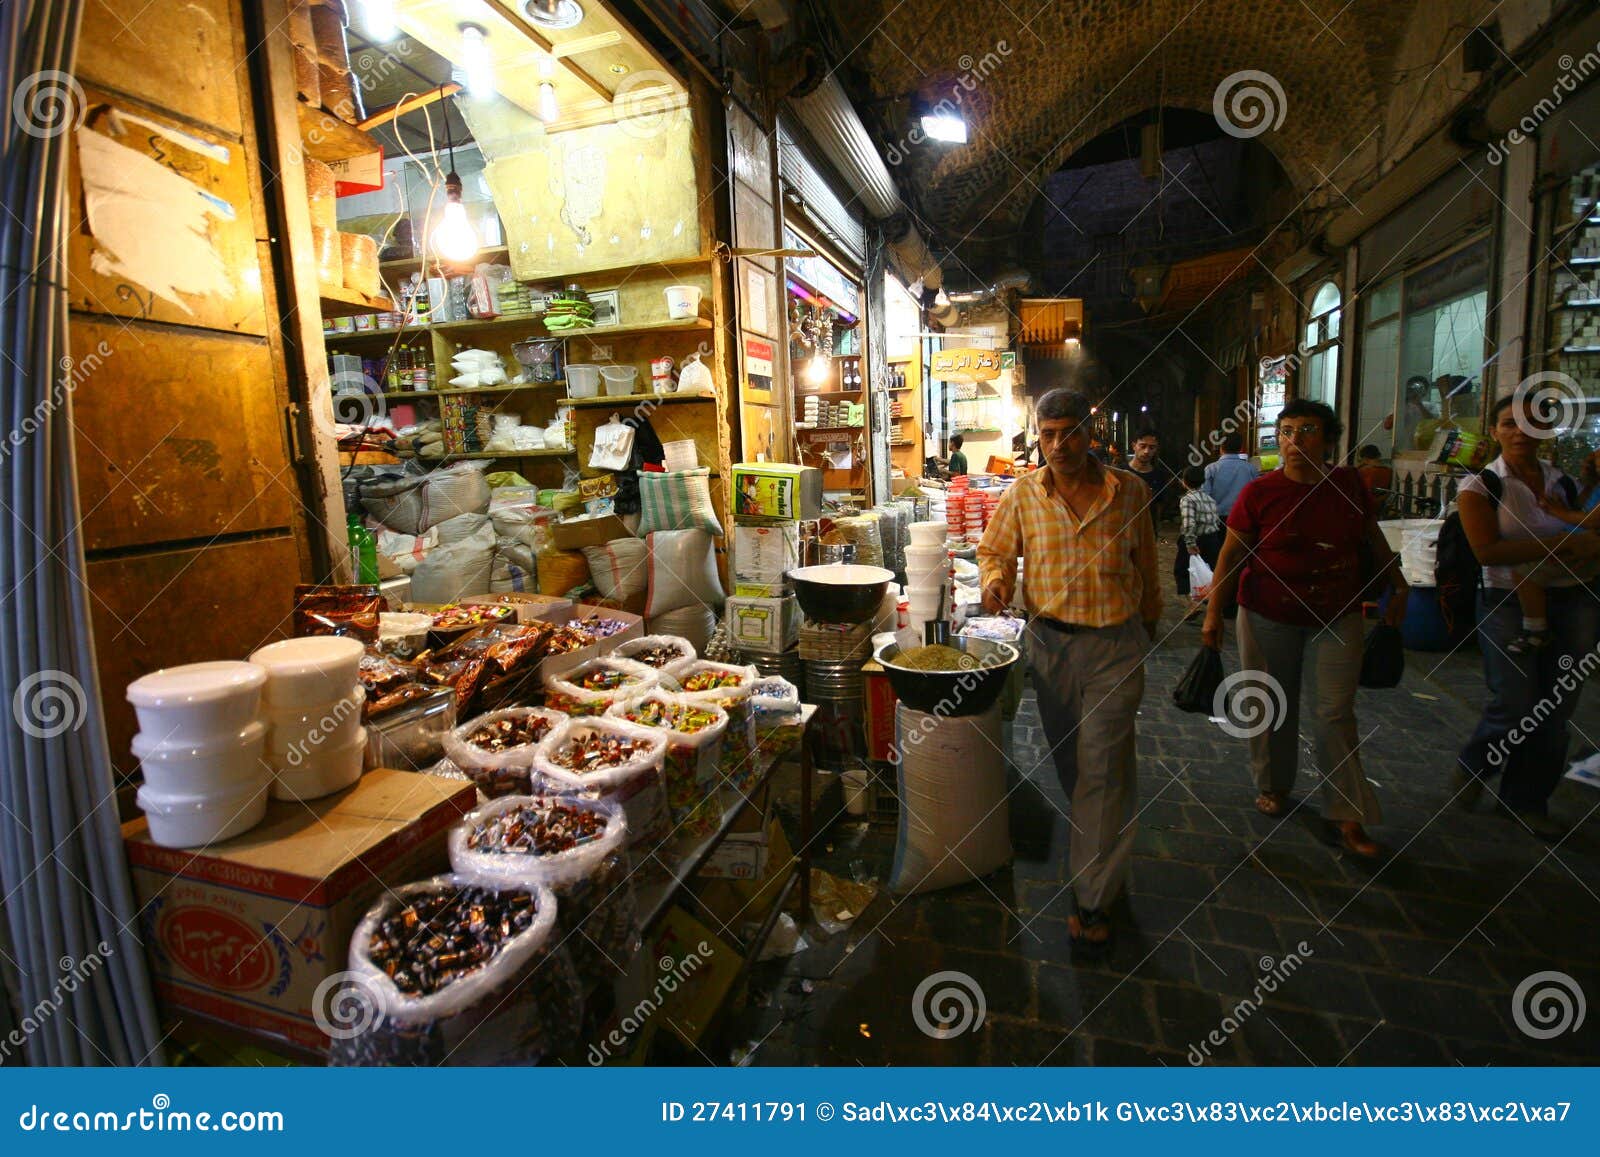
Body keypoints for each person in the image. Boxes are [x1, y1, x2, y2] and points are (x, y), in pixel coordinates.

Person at [978, 388, 1160, 960]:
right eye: (1049, 433)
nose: (1059, 444)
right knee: (1076, 766)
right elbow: (994, 550)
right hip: (1049, 647)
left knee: (1101, 769)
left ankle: (1092, 897)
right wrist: (995, 583)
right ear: (1038, 434)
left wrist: (1145, 631)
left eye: (1070, 432)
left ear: (1092, 430)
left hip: (1113, 646)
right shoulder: (1023, 494)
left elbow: (1148, 568)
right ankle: (1100, 854)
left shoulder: (1128, 491)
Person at [1201, 399, 1408, 859]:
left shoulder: (1349, 484)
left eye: (1307, 430)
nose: (1295, 441)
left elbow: (1371, 537)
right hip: (1266, 613)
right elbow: (1231, 557)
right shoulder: (1261, 492)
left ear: (1329, 438)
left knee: (1335, 712)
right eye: (1287, 431)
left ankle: (1348, 812)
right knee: (1274, 704)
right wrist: (1214, 613)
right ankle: (1273, 783)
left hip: (1337, 613)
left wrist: (1398, 581)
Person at [1455, 394, 1600, 838]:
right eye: (1508, 423)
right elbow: (1487, 551)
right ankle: (1475, 763)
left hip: (1572, 599)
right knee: (1515, 701)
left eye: (1531, 424)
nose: (1520, 432)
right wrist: (1561, 546)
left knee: (1556, 709)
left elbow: (1590, 529)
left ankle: (1525, 800)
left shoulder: (1564, 485)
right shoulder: (1481, 486)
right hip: (1506, 601)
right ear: (1495, 430)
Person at [1174, 465, 1223, 603]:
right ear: (1203, 481)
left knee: (1182, 570)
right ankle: (1207, 599)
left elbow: (1189, 523)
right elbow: (1216, 521)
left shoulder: (1187, 499)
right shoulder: (1210, 499)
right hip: (1212, 539)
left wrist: (1190, 543)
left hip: (1196, 539)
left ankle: (1191, 604)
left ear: (1184, 481)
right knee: (1207, 571)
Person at [1202, 431, 1259, 519]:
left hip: (1217, 518)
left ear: (1221, 448)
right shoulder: (1251, 469)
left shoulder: (1211, 468)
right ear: (1241, 449)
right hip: (1243, 517)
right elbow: (1256, 495)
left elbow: (1205, 496)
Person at [1126, 430, 1177, 523]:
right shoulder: (1121, 472)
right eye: (1143, 446)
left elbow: (1160, 506)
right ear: (1134, 446)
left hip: (1149, 530)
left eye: (1152, 447)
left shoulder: (1161, 476)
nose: (1146, 451)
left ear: (1156, 449)